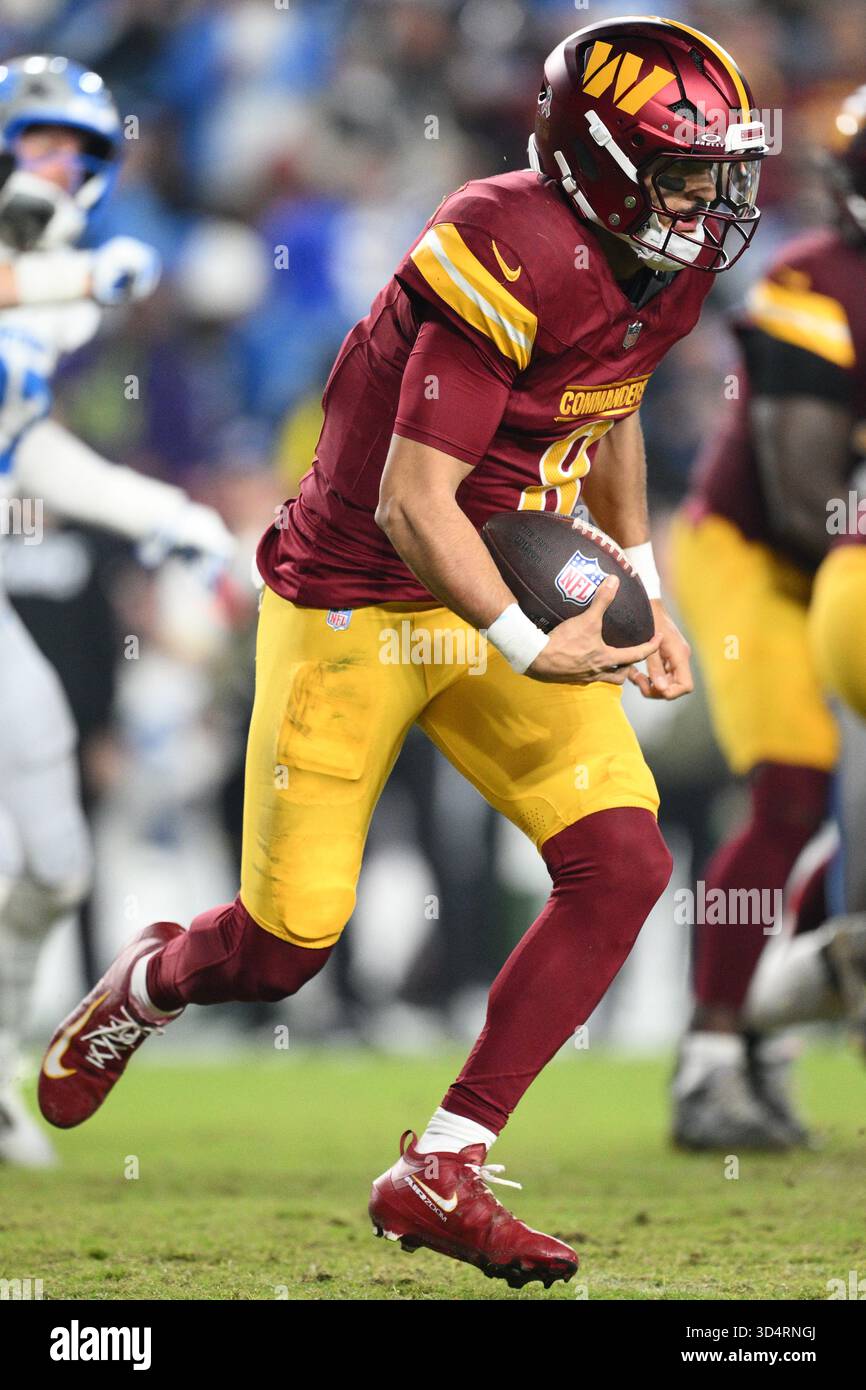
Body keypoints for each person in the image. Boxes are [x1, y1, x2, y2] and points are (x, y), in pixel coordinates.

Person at [38, 18, 766, 1287]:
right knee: (284, 948)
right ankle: (147, 983)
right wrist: (528, 639)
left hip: (501, 578)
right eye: (683, 168)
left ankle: (442, 1161)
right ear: (596, 162)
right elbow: (412, 505)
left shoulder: (665, 256)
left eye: (718, 170)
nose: (710, 199)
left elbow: (617, 403)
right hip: (358, 598)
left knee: (621, 859)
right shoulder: (506, 241)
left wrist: (642, 583)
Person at [0, 55, 235, 1167]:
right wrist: (74, 280)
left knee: (55, 860)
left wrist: (153, 507)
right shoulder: (51, 280)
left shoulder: (50, 284)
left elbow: (18, 445)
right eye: (39, 142)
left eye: (78, 153)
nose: (58, 169)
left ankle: (1, 1063)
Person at [669, 82, 866, 1149]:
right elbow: (804, 497)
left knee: (834, 823)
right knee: (789, 788)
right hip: (755, 552)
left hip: (845, 567)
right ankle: (706, 1056)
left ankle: (761, 1030)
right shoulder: (811, 282)